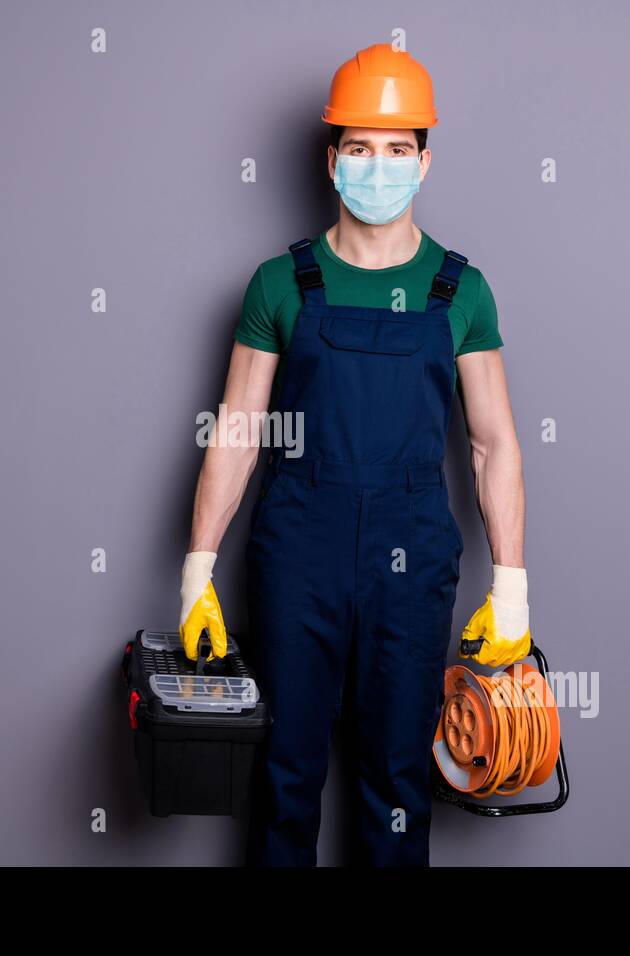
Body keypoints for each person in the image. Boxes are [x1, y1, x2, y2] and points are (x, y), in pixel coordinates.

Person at [179, 43, 533, 866]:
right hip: (299, 545)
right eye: (362, 149)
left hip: (411, 557)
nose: (381, 166)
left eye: (399, 149)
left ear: (425, 160)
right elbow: (237, 428)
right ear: (332, 160)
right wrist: (198, 572)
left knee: (398, 779)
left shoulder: (460, 289)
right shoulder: (281, 283)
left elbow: (493, 444)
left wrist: (510, 586)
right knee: (285, 774)